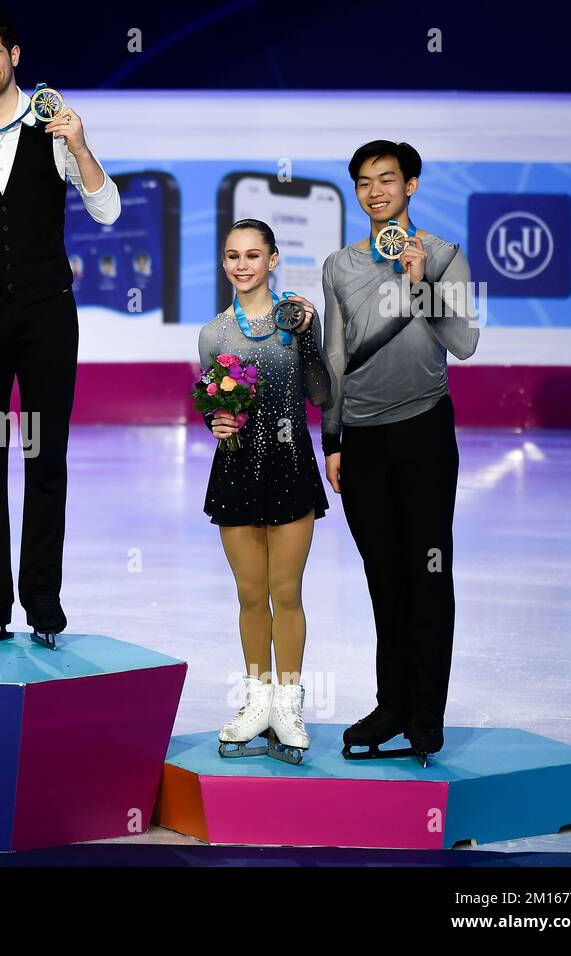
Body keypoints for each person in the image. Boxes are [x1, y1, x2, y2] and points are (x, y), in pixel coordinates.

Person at [0, 7, 121, 649]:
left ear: (15, 55)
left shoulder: (52, 127)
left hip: (47, 315)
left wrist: (78, 143)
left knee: (46, 457)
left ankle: (42, 599)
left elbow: (107, 210)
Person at [322, 140, 479, 765]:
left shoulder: (443, 255)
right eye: (364, 182)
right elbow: (334, 357)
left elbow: (464, 341)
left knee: (429, 574)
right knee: (383, 578)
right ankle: (391, 705)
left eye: (387, 179)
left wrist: (421, 286)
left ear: (410, 185)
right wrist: (331, 438)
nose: (375, 191)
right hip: (361, 441)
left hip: (423, 435)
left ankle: (425, 716)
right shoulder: (339, 265)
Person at [200, 219, 329, 764]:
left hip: (291, 463)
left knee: (287, 594)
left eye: (254, 255)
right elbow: (214, 404)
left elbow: (321, 393)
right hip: (235, 471)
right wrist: (217, 423)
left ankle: (289, 705)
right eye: (233, 255)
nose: (243, 264)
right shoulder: (214, 334)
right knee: (251, 597)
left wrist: (307, 338)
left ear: (273, 260)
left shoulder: (295, 320)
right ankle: (257, 701)